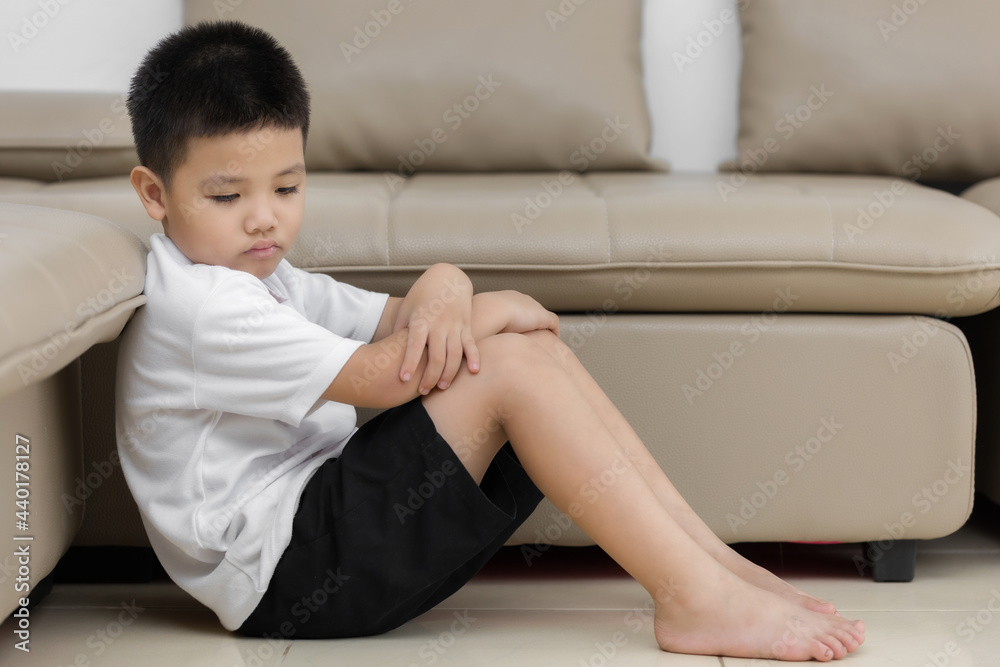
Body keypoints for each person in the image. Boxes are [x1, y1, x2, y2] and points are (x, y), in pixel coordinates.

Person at [115, 20, 865, 661]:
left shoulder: (266, 279)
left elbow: (402, 314)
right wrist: (483, 304)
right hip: (289, 577)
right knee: (509, 365)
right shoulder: (203, 307)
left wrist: (449, 281)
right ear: (155, 194)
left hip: (321, 533)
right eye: (227, 196)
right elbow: (384, 374)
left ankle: (710, 565)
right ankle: (693, 597)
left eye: (287, 187)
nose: (265, 220)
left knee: (531, 354)